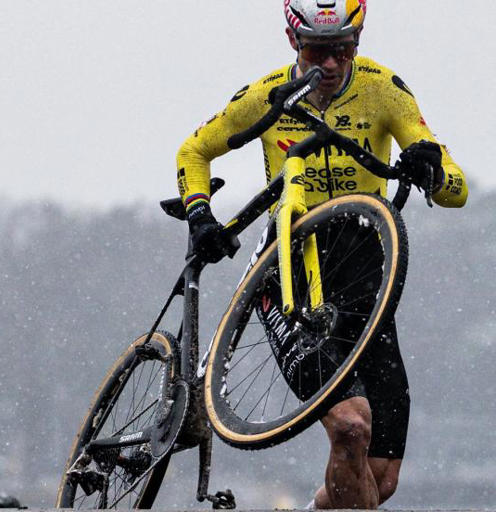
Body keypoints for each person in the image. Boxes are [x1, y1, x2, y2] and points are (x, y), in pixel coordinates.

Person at [176, 1, 467, 509]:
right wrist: (200, 213)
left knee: (381, 474)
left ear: (358, 41)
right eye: (317, 51)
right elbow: (193, 151)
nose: (330, 65)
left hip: (363, 275)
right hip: (289, 271)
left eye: (343, 50)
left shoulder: (383, 89)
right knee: (351, 427)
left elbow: (456, 190)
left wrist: (432, 170)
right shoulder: (267, 94)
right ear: (293, 42)